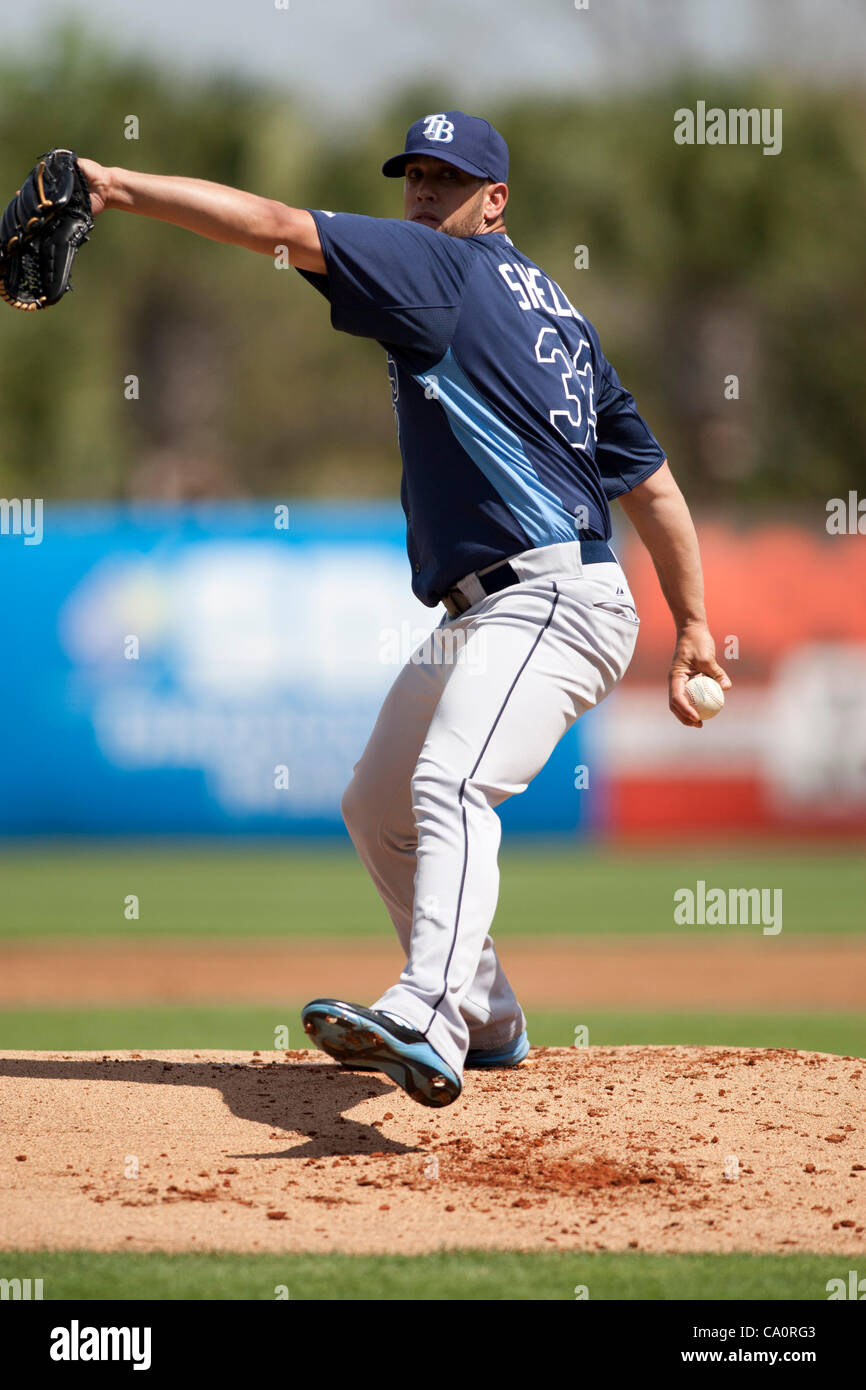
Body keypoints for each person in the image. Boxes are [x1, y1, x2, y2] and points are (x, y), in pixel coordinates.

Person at [78, 110, 731, 1109]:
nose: (422, 193)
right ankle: (490, 1013)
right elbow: (651, 488)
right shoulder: (559, 316)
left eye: (447, 177)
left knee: (451, 784)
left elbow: (272, 226)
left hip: (549, 600)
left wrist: (116, 183)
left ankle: (428, 1008)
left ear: (494, 200)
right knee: (377, 806)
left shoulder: (437, 270)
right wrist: (689, 623)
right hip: (500, 609)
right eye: (412, 175)